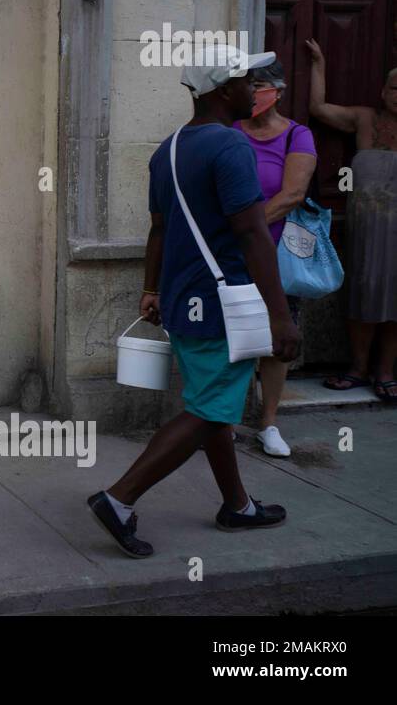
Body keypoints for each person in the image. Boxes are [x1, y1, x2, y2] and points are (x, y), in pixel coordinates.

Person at [88, 45, 302, 558]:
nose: (256, 89)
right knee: (209, 411)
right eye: (249, 81)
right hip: (223, 301)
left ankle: (238, 506)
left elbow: (158, 229)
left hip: (185, 299)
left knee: (213, 405)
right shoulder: (230, 148)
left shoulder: (168, 150)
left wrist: (152, 289)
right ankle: (118, 499)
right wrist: (280, 317)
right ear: (223, 89)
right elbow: (252, 233)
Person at [232, 58, 317, 455]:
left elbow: (292, 195)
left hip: (277, 254)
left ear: (277, 92)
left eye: (260, 87)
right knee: (232, 335)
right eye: (249, 87)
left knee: (276, 338)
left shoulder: (297, 135)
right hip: (232, 255)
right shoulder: (230, 131)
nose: (253, 94)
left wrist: (245, 229)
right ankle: (226, 420)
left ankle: (268, 423)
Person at [306, 38, 397, 401]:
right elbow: (317, 108)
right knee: (364, 292)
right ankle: (358, 368)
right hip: (368, 227)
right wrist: (319, 63)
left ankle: (386, 372)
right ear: (383, 90)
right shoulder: (364, 118)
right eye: (395, 87)